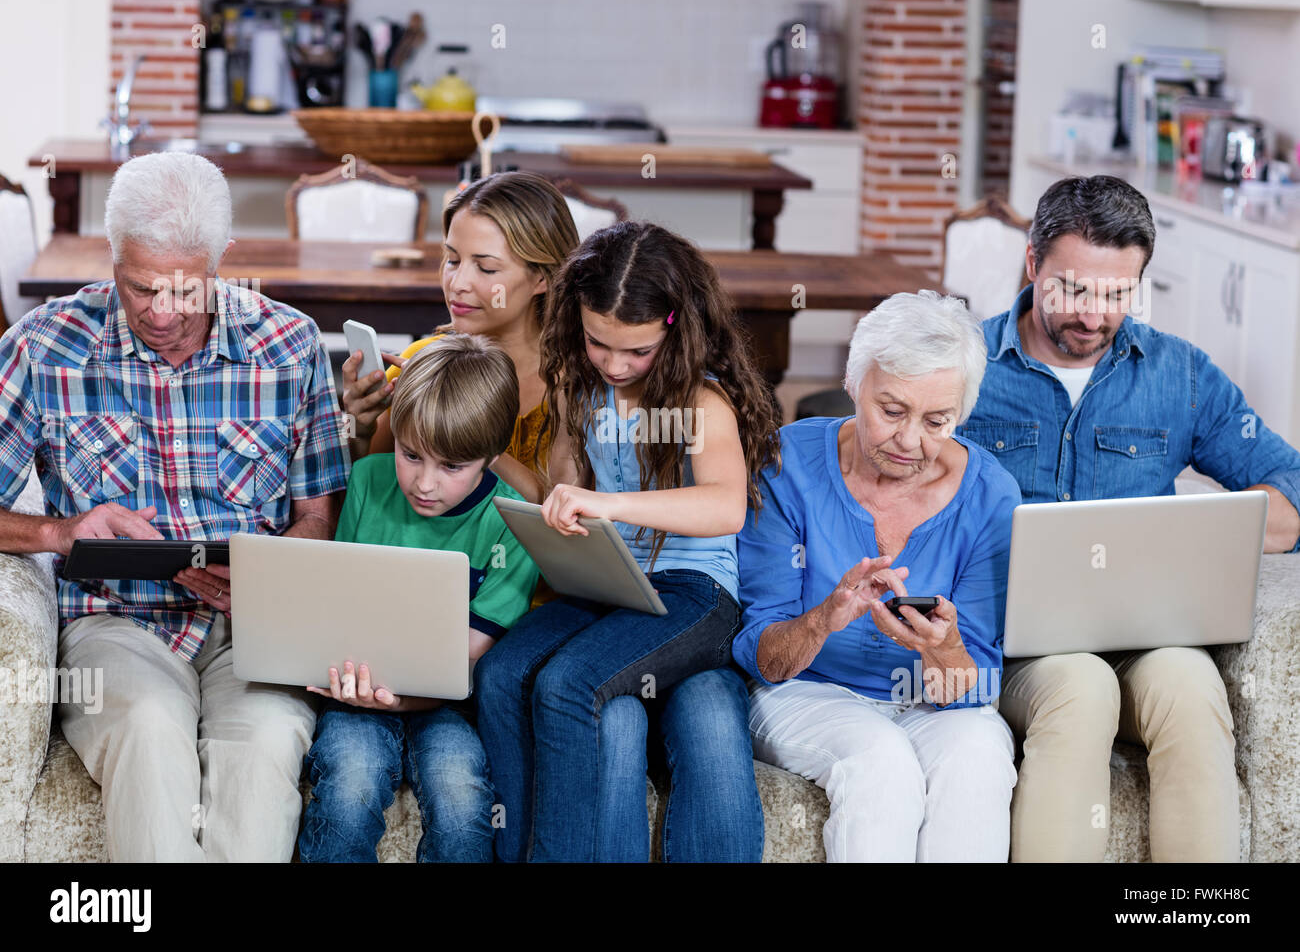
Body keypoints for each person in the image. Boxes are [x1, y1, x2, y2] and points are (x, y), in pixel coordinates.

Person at [0, 152, 350, 861]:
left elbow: (320, 514)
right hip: (114, 623)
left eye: (186, 290)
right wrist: (58, 530)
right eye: (140, 288)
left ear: (220, 259)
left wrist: (281, 567)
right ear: (112, 260)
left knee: (265, 749)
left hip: (249, 628)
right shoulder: (45, 346)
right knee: (152, 726)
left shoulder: (289, 346)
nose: (162, 313)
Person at [957, 174, 1300, 862]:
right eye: (1074, 290)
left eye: (1117, 294)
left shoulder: (1181, 374)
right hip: (1012, 642)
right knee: (1081, 687)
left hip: (1147, 631)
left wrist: (1211, 524)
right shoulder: (964, 363)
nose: (1093, 314)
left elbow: (1288, 491)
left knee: (1193, 691)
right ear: (1032, 265)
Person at [474, 221, 782, 862]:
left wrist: (605, 504)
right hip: (608, 579)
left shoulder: (702, 401)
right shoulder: (579, 388)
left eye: (636, 352)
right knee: (501, 671)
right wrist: (490, 456)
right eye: (597, 343)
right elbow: (561, 491)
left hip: (694, 593)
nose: (614, 365)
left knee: (566, 684)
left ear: (676, 327)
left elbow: (725, 506)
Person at [734, 290, 1021, 862]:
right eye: (891, 411)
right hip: (805, 692)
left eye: (937, 421)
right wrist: (823, 619)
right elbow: (762, 659)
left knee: (982, 753)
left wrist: (946, 647)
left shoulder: (991, 496)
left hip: (924, 703)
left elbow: (975, 685)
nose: (911, 441)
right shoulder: (784, 463)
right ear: (853, 383)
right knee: (881, 762)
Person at [297, 335, 539, 862]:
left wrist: (402, 699)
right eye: (410, 456)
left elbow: (462, 664)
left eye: (452, 467)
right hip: (355, 691)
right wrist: (354, 688)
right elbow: (333, 605)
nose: (425, 484)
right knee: (347, 788)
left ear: (492, 458)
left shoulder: (513, 523)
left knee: (461, 799)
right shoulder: (365, 480)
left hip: (446, 704)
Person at [341, 171, 579, 501]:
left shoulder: (581, 384)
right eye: (452, 259)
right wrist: (358, 427)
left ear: (541, 277)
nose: (457, 283)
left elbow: (556, 514)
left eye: (486, 268)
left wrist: (471, 426)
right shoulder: (419, 362)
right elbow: (369, 498)